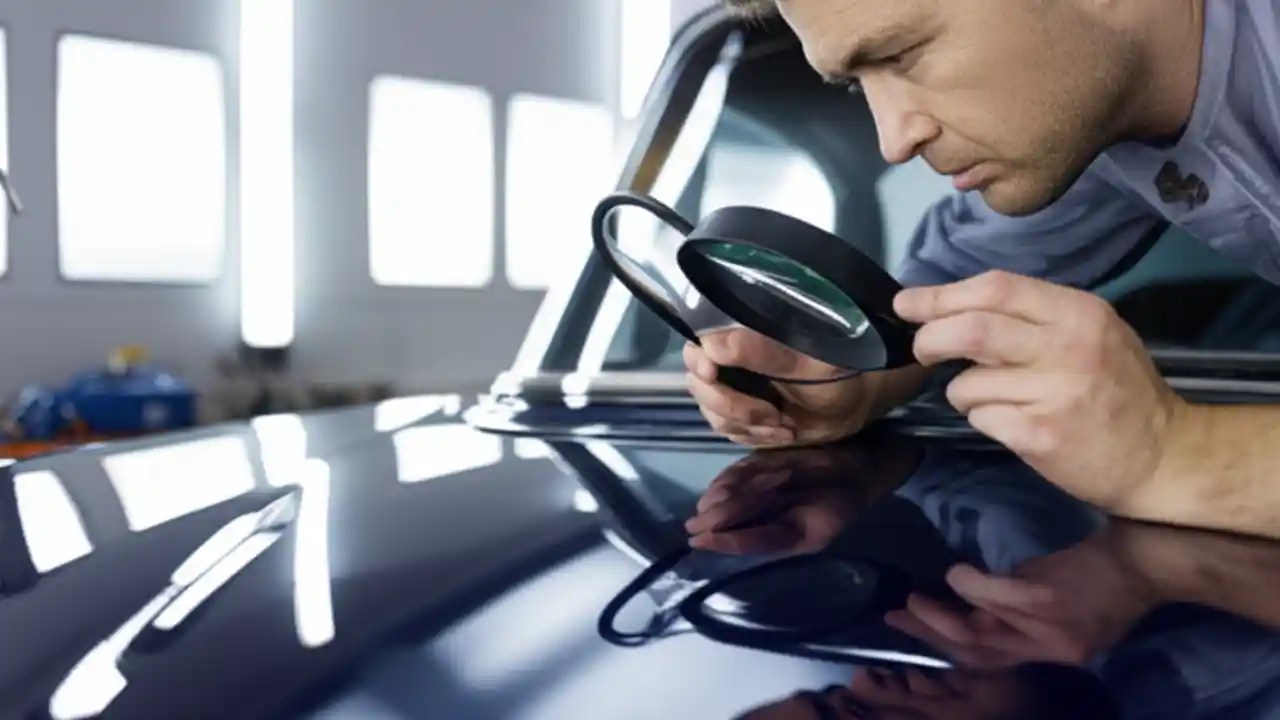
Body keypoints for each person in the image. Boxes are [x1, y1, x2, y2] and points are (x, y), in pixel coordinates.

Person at [685, 0, 1280, 539]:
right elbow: (939, 296)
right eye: (853, 86)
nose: (893, 141)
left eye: (900, 54)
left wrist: (1171, 456)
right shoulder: (1094, 138)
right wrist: (849, 378)